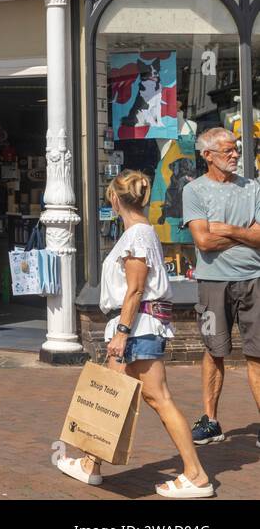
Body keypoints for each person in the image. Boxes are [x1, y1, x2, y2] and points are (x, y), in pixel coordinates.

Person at [56, 170, 213, 497]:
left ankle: (196, 474)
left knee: (158, 398)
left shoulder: (138, 236)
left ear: (115, 199)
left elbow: (135, 289)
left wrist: (123, 332)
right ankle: (90, 463)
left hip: (138, 327)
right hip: (137, 326)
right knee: (109, 394)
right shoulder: (138, 234)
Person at [181, 126, 260, 447]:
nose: (235, 154)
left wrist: (226, 229)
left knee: (257, 354)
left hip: (254, 279)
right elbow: (202, 240)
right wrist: (245, 233)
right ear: (207, 155)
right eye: (227, 150)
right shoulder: (195, 191)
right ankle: (211, 421)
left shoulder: (253, 188)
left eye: (236, 148)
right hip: (213, 283)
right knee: (215, 352)